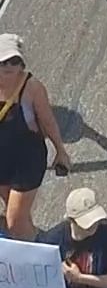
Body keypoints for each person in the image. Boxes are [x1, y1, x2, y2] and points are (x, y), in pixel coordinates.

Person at [0, 35, 69, 237]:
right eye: (4, 64)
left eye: (15, 63)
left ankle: (41, 255)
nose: (10, 68)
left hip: (27, 160)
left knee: (14, 221)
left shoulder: (31, 87)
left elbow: (48, 121)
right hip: (2, 161)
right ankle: (36, 241)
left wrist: (60, 151)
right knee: (17, 215)